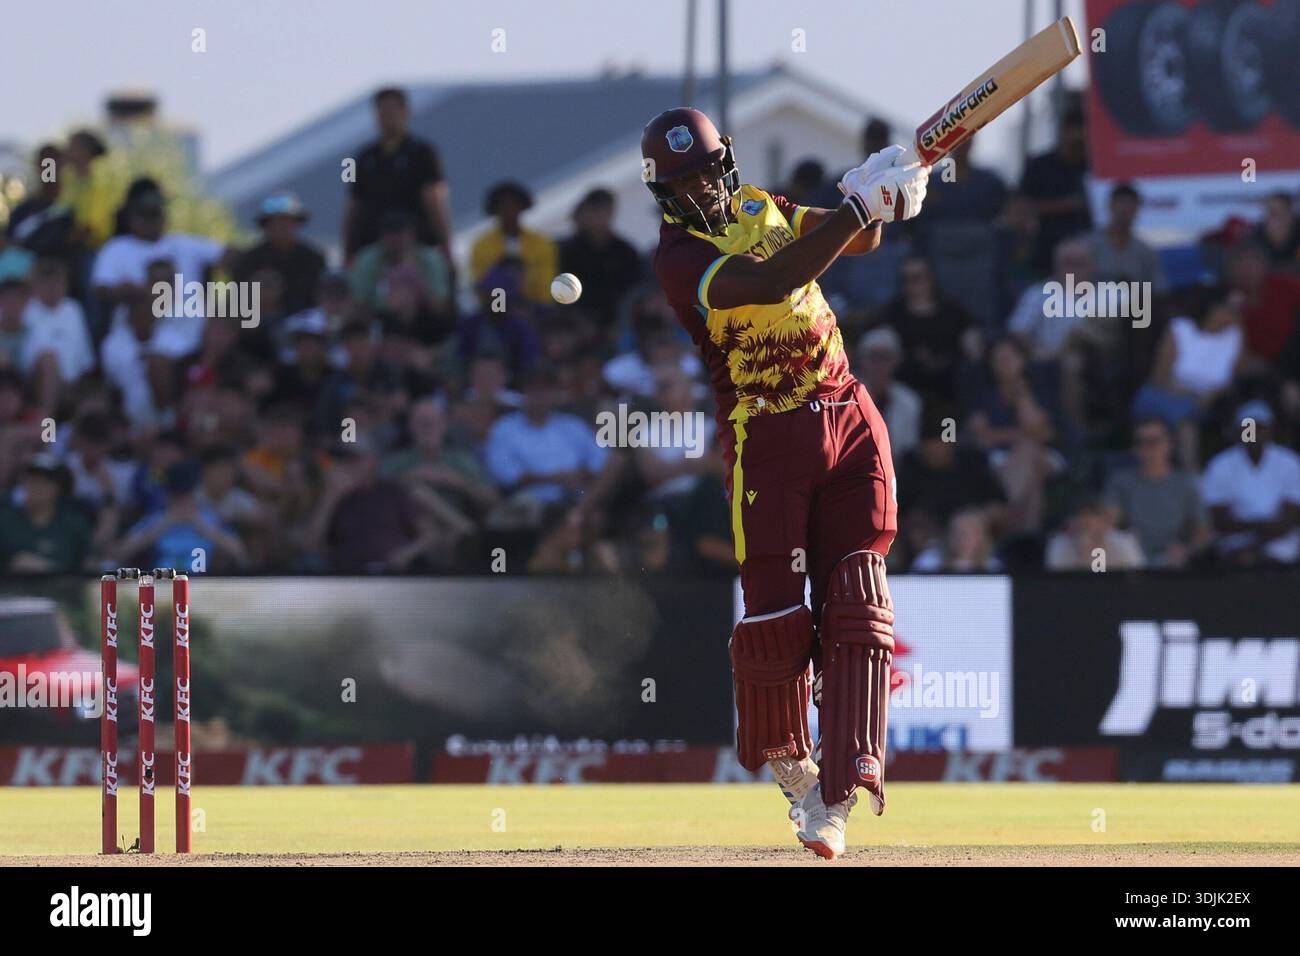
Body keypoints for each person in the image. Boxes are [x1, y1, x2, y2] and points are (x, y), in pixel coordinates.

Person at [643, 105, 929, 857]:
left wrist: (880, 193)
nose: (704, 190)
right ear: (664, 194)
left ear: (726, 163)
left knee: (860, 599)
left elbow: (854, 238)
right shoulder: (678, 258)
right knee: (775, 619)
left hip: (846, 410)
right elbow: (777, 278)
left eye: (708, 171)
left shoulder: (756, 202)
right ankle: (793, 772)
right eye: (686, 182)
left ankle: (841, 788)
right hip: (767, 432)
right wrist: (859, 209)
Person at [342, 87, 451, 261]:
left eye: (391, 110)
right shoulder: (361, 157)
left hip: (417, 247)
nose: (386, 116)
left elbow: (435, 199)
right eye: (381, 111)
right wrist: (347, 250)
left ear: (405, 112)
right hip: (372, 247)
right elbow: (353, 204)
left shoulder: (423, 152)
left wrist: (446, 246)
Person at [1201, 401, 1300, 565]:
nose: (1253, 433)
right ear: (1238, 431)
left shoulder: (1290, 462)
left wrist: (1256, 543)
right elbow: (1219, 518)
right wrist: (1254, 533)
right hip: (1234, 541)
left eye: (1259, 427)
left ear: (1271, 430)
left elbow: (1290, 517)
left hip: (1282, 541)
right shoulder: (1220, 465)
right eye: (1248, 427)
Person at [1103, 418, 1208, 568]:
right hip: (1130, 562)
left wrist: (1187, 550)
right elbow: (1108, 522)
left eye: (1153, 442)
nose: (1146, 449)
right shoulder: (1120, 482)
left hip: (1175, 564)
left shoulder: (1186, 484)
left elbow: (1202, 530)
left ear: (1169, 444)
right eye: (1140, 443)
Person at [557, 188, 642, 328]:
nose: (598, 218)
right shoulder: (565, 251)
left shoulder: (625, 251)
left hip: (621, 323)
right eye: (594, 212)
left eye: (602, 211)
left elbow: (634, 293)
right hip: (576, 325)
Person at [234, 193, 326, 317]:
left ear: (297, 224)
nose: (281, 227)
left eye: (287, 221)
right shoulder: (248, 260)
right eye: (275, 222)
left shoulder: (314, 259)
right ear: (266, 226)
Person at [469, 181, 558, 307]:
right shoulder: (481, 247)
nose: (509, 211)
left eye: (514, 205)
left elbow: (546, 287)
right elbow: (482, 286)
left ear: (522, 207)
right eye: (503, 206)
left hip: (537, 310)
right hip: (499, 312)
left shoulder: (541, 243)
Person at [1087, 182, 1168, 291]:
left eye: (1130, 207)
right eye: (1121, 205)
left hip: (1137, 306)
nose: (1125, 210)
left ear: (1137, 209)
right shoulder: (1086, 246)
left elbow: (1159, 289)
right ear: (1110, 206)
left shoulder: (1145, 251)